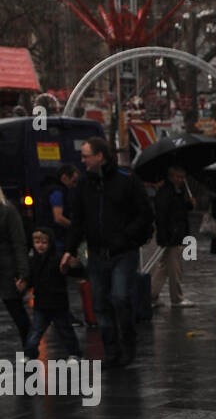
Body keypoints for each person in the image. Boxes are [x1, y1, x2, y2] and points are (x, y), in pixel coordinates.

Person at [62, 136, 153, 367]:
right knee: (100, 304)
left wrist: (126, 236)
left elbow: (144, 213)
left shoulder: (126, 179)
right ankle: (111, 351)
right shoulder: (84, 184)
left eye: (86, 156)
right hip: (96, 252)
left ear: (99, 156)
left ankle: (128, 342)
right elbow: (78, 220)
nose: (82, 160)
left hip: (123, 251)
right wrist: (69, 250)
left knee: (120, 297)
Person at [16, 225, 81, 360]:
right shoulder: (35, 261)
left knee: (63, 330)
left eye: (44, 242)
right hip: (44, 303)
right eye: (37, 242)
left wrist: (71, 267)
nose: (40, 246)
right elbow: (32, 279)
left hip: (56, 303)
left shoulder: (56, 259)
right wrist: (25, 284)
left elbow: (71, 271)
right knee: (37, 331)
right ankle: (29, 353)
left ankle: (75, 354)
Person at [150, 165, 195, 307]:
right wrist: (166, 236)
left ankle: (150, 295)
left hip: (175, 234)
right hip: (172, 235)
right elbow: (163, 216)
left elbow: (180, 210)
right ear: (171, 177)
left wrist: (189, 204)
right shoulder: (167, 193)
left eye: (182, 177)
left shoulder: (177, 192)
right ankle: (177, 298)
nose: (181, 180)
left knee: (163, 267)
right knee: (175, 268)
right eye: (178, 177)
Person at [0, 187, 30, 348]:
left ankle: (29, 348)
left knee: (17, 311)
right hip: (6, 267)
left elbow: (19, 243)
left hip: (7, 269)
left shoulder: (8, 211)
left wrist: (23, 274)